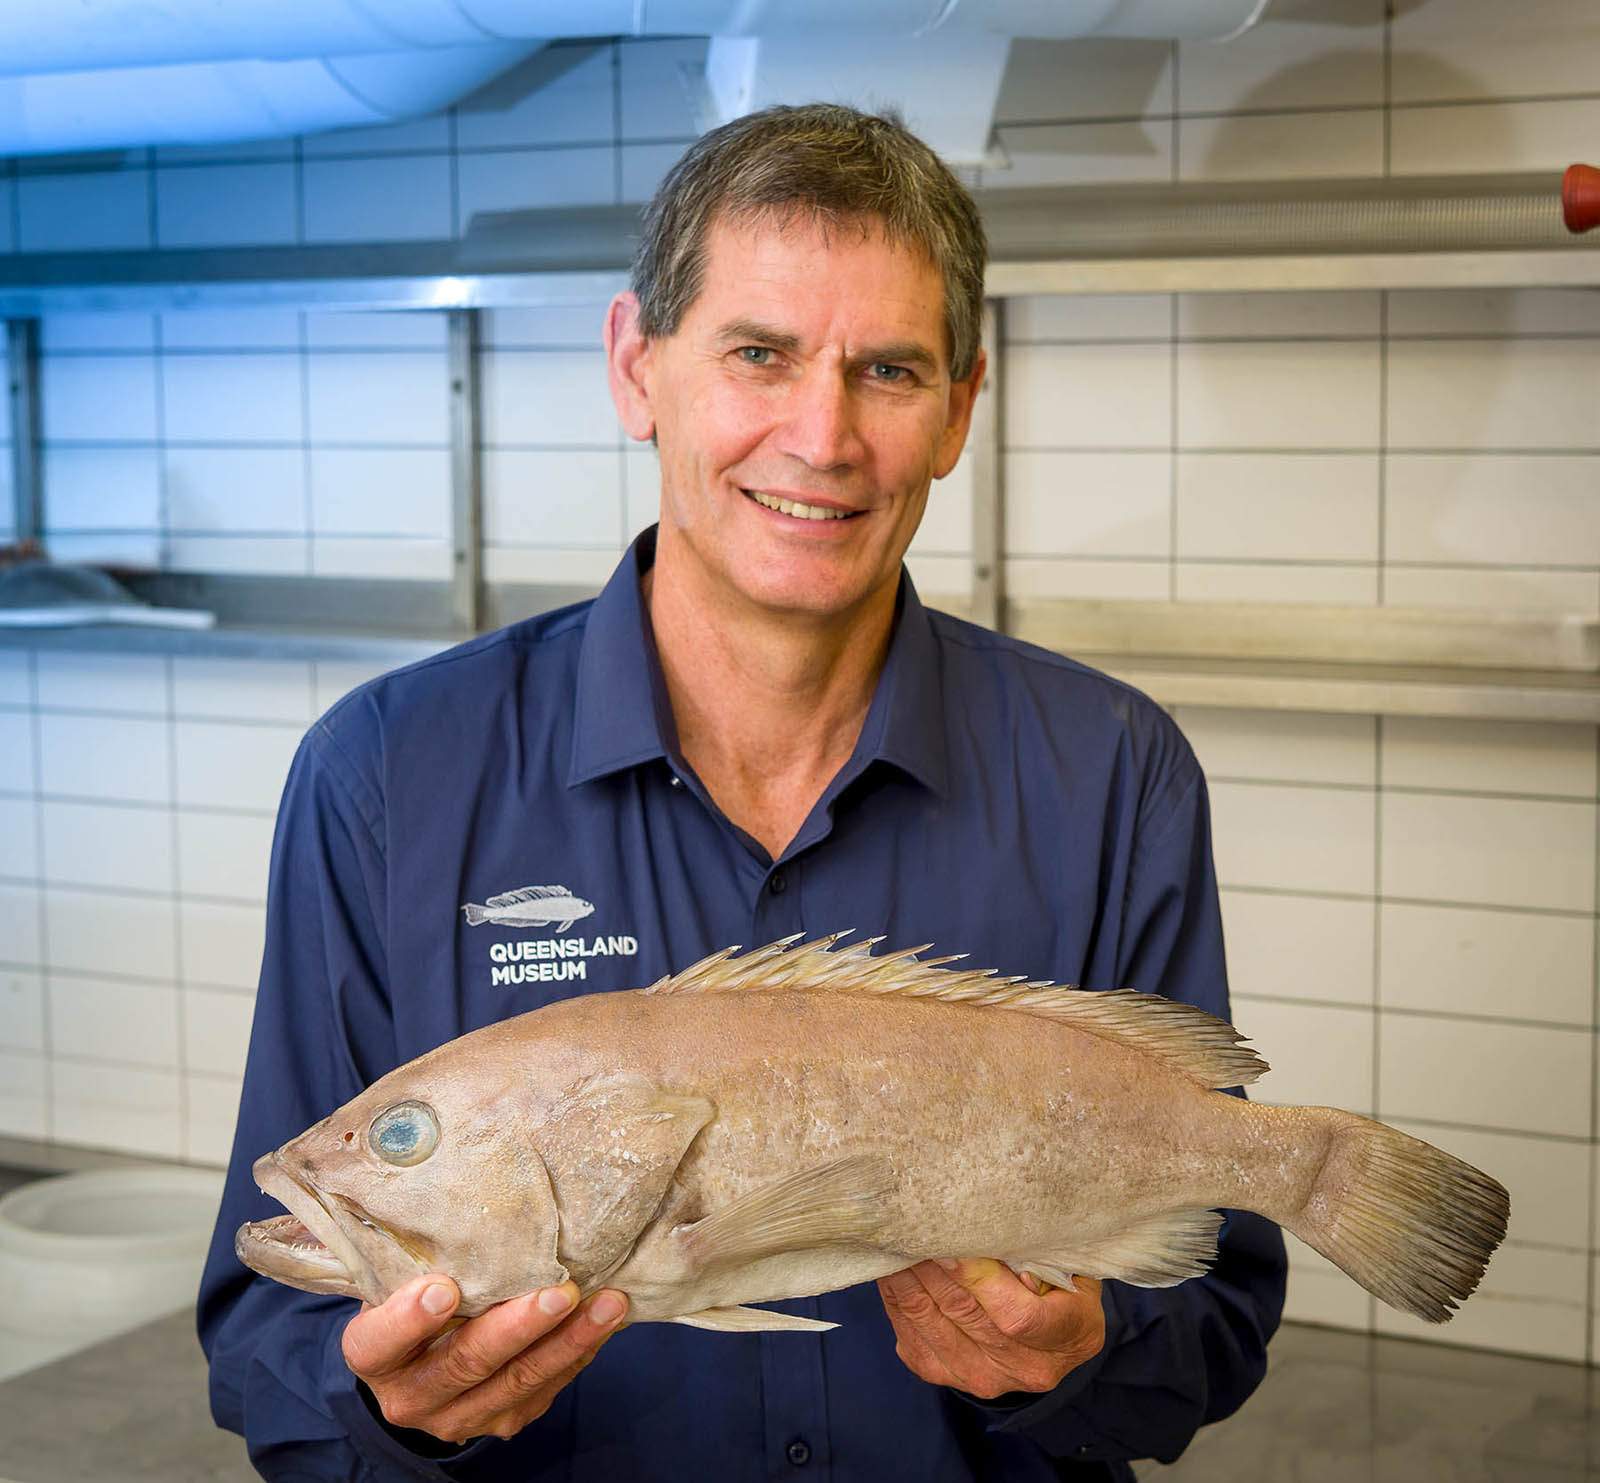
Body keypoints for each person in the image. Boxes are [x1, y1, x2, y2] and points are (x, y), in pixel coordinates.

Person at [198, 102, 1285, 1482]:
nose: (821, 436)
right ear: (635, 367)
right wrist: (392, 1419)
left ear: (959, 410)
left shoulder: (1113, 772)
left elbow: (1214, 1320)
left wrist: (1082, 1358)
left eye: (887, 370)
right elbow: (268, 1350)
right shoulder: (385, 780)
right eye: (759, 354)